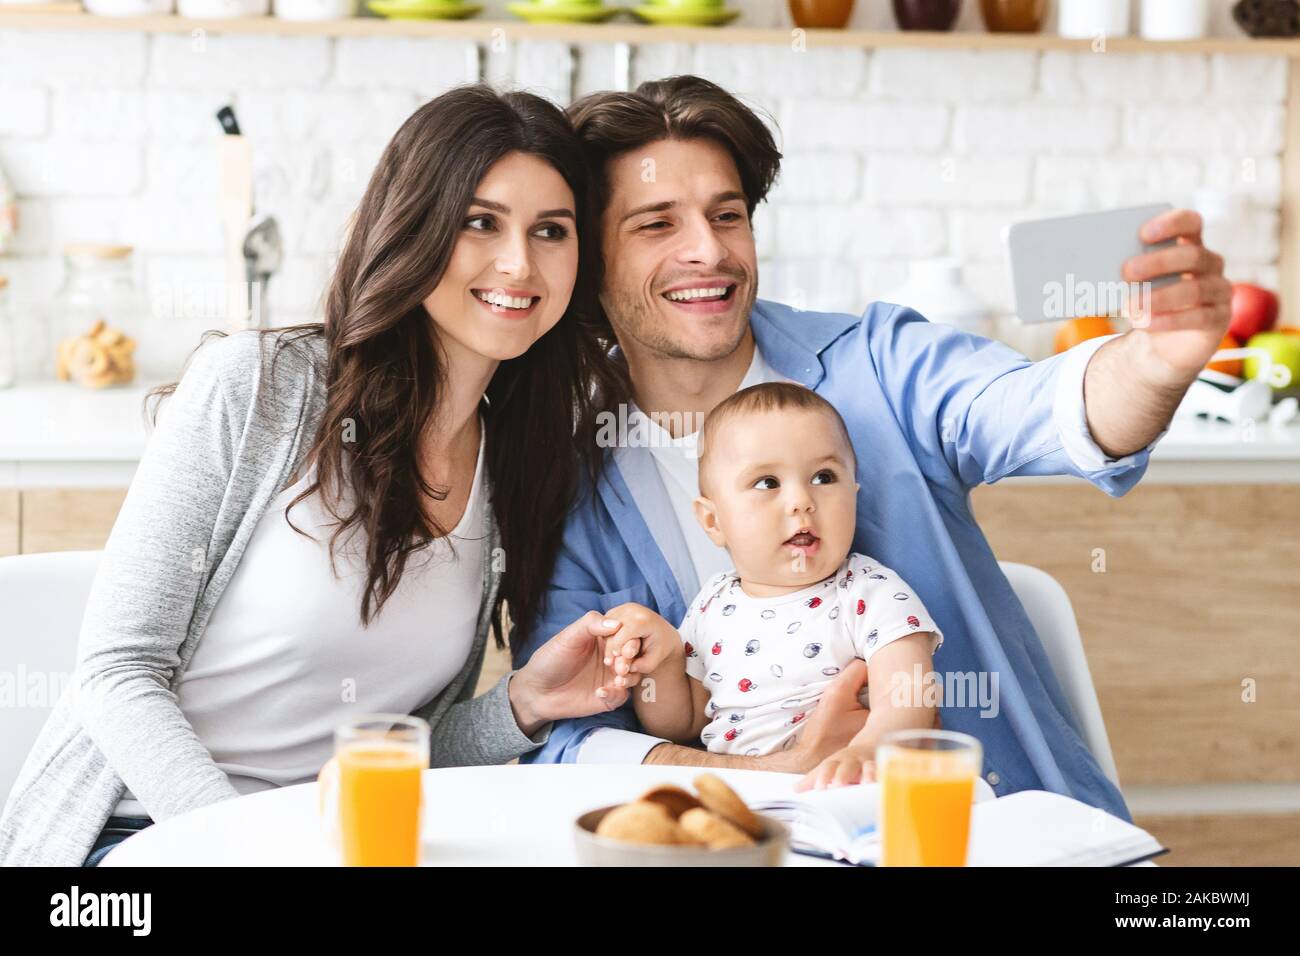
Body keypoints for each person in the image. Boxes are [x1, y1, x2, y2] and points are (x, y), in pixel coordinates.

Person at [513, 75, 1232, 822]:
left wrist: (1153, 361)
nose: (709, 250)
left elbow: (1036, 408)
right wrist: (774, 770)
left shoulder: (880, 363)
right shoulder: (575, 481)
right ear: (590, 264)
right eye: (656, 225)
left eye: (727, 215)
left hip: (986, 827)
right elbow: (570, 736)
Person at [0, 86, 628, 867]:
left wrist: (524, 704)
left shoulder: (509, 461)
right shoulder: (262, 387)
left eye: (551, 231)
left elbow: (385, 757)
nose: (518, 262)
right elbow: (117, 676)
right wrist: (249, 852)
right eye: (480, 221)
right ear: (415, 225)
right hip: (135, 840)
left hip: (331, 849)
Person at [598, 382, 945, 790]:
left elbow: (909, 694)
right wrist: (659, 662)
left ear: (854, 494)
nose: (801, 500)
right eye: (767, 483)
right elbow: (682, 721)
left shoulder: (870, 592)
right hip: (742, 793)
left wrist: (868, 748)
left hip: (851, 787)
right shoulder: (713, 603)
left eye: (823, 476)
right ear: (713, 522)